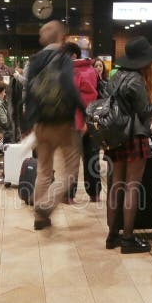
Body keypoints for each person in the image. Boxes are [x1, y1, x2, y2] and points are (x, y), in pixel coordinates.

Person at [105, 36, 152, 254]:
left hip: (116, 137)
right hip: (134, 138)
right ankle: (128, 238)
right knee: (132, 185)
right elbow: (145, 112)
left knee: (116, 185)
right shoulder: (136, 80)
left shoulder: (115, 76)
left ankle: (112, 236)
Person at [23, 20, 84, 230]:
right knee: (70, 170)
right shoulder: (63, 58)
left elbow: (28, 93)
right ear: (62, 37)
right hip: (63, 125)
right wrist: (82, 113)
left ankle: (40, 219)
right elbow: (69, 87)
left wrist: (29, 122)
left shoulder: (34, 60)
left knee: (44, 170)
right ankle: (44, 205)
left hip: (41, 123)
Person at [64, 42, 100, 201]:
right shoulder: (91, 70)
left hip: (74, 121)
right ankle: (95, 194)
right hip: (92, 120)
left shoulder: (70, 72)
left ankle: (69, 195)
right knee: (92, 158)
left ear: (71, 56)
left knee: (72, 160)